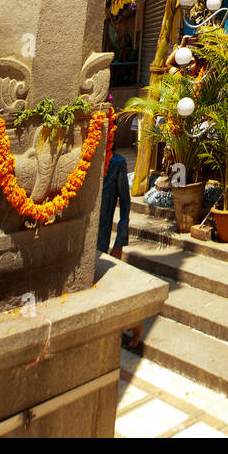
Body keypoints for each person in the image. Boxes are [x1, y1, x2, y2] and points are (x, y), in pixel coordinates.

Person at [97, 110, 142, 353]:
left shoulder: (117, 164)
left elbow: (125, 205)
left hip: (103, 241)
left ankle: (129, 324)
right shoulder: (87, 160)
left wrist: (120, 240)